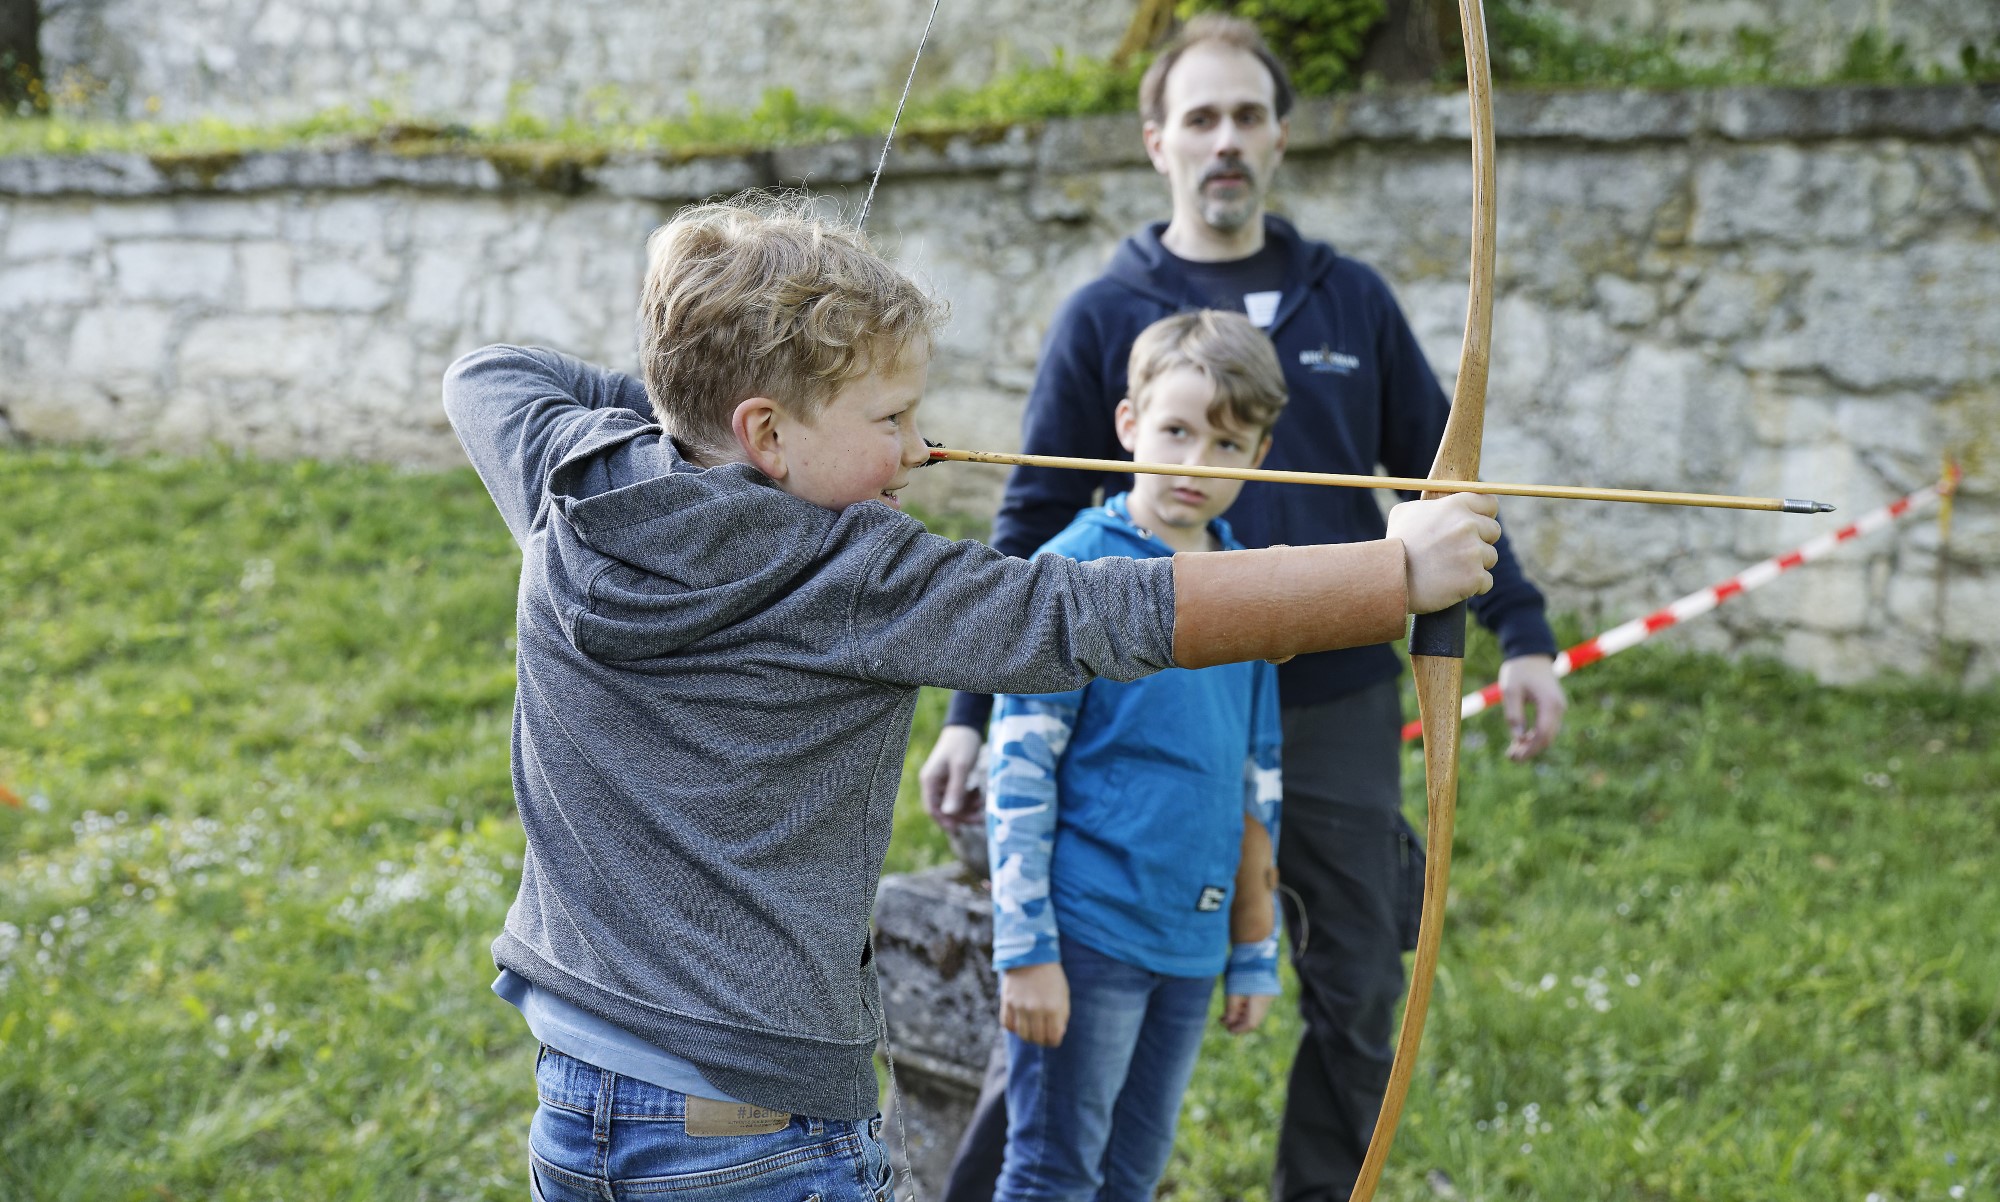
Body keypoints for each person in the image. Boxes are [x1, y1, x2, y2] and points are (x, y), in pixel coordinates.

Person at [442, 192, 1506, 1202]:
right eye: (892, 415)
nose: (917, 447)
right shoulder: (852, 570)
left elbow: (487, 371)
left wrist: (690, 433)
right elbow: (1096, 613)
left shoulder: (562, 478)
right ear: (768, 434)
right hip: (754, 1124)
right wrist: (1389, 576)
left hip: (577, 1091)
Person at [922, 18, 1569, 1202]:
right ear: (1155, 140)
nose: (1225, 140)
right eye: (1200, 117)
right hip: (1136, 696)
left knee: (1363, 980)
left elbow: (1442, 483)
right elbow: (1031, 525)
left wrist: (1519, 630)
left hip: (1323, 699)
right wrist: (971, 708)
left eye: (1247, 116)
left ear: (1279, 134)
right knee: (1079, 979)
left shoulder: (1348, 302)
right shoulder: (1105, 311)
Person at [987, 310, 1289, 1202]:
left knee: (1134, 1174)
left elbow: (1256, 778)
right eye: (1176, 432)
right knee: (1053, 1170)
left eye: (1227, 444)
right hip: (1087, 936)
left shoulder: (1248, 588)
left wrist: (1252, 942)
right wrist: (1027, 948)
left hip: (1190, 943)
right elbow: (1019, 771)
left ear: (1262, 455)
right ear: (1128, 425)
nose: (1196, 464)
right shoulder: (1073, 570)